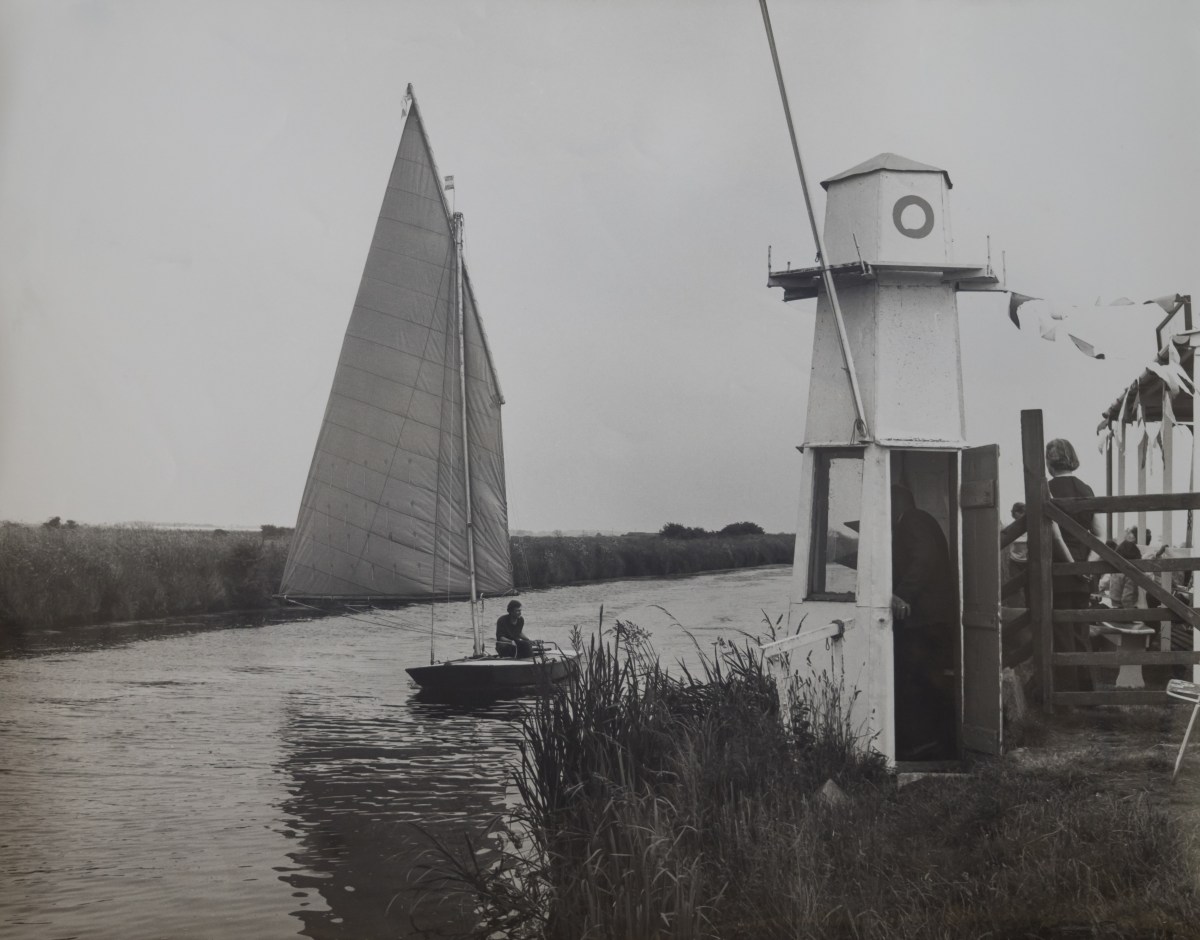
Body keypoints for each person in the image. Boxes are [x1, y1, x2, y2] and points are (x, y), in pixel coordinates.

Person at [890, 484, 956, 760]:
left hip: (927, 619)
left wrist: (901, 594)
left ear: (895, 504)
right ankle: (933, 741)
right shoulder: (921, 520)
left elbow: (924, 558)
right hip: (933, 617)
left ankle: (928, 743)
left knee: (921, 679)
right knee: (928, 678)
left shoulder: (913, 520)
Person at [1045, 437, 1101, 696]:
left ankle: (1067, 694)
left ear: (1049, 462)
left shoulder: (1046, 490)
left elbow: (1055, 534)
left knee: (1061, 631)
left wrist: (1072, 566)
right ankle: (1087, 691)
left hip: (1059, 568)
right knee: (1081, 631)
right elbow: (1099, 534)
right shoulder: (1086, 488)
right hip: (1084, 570)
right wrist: (1085, 566)